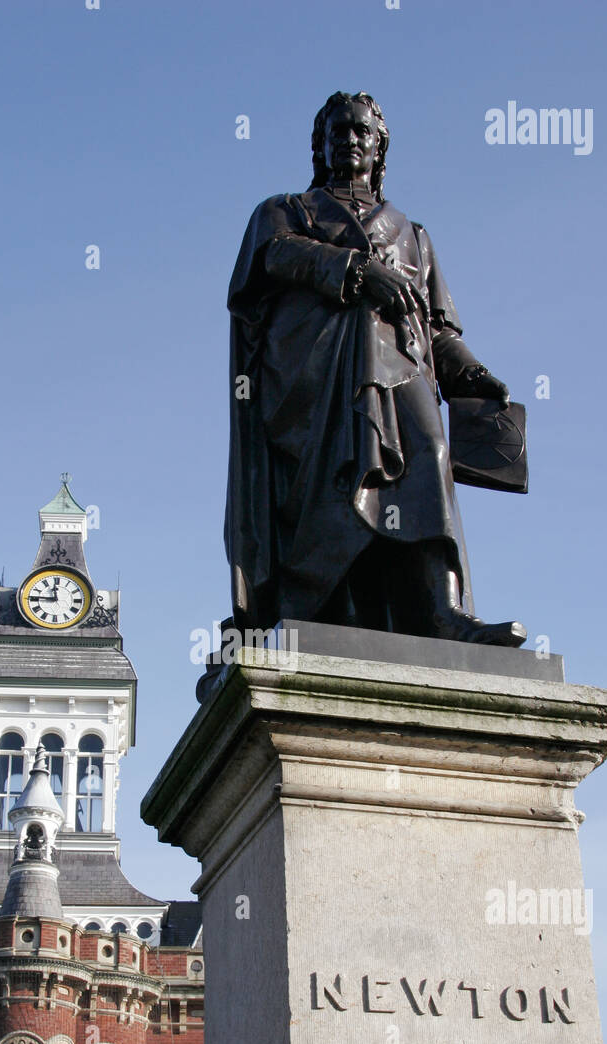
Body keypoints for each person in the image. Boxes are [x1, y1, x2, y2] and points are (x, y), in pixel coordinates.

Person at [224, 91, 526, 646]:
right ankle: (321, 614)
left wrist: (471, 374)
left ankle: (443, 611)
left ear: (380, 146)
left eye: (362, 131)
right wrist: (358, 271)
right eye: (338, 131)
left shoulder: (414, 235)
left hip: (401, 367)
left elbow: (438, 330)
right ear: (320, 145)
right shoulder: (285, 210)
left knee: (429, 455)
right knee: (336, 487)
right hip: (314, 380)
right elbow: (271, 258)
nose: (350, 139)